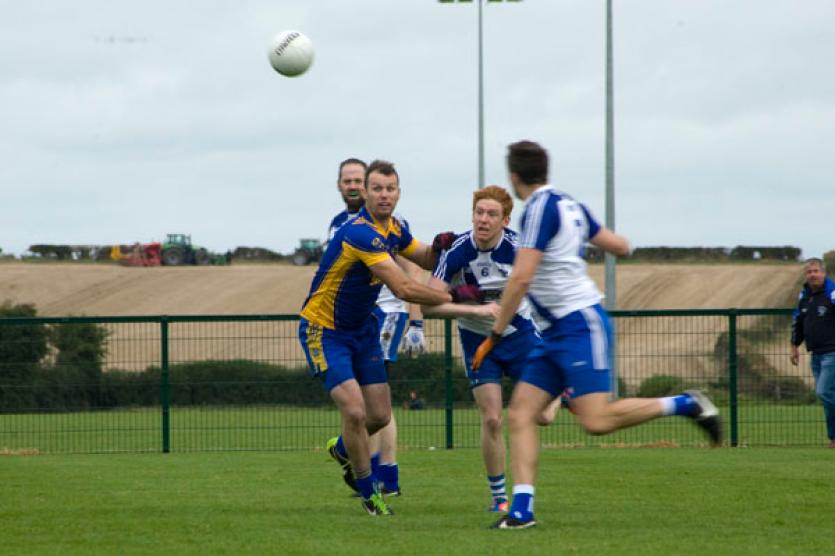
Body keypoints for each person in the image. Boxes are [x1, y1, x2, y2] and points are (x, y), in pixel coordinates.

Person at [475, 141, 722, 530]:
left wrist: (496, 333)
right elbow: (620, 246)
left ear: (514, 177)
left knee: (596, 420)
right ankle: (521, 512)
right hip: (556, 331)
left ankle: (686, 403)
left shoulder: (537, 209)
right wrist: (573, 246)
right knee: (522, 413)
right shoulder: (569, 205)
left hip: (578, 324)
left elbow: (521, 277)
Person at [298, 159, 479, 516]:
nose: (384, 195)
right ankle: (370, 494)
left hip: (362, 329)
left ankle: (343, 449)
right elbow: (403, 286)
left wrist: (445, 245)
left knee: (379, 417)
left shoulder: (395, 228)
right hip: (325, 330)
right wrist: (456, 296)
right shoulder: (360, 232)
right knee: (354, 411)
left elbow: (425, 257)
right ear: (365, 192)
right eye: (377, 188)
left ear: (398, 192)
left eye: (390, 188)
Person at [422, 185, 561, 514]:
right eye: (478, 213)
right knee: (493, 420)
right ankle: (499, 498)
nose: (483, 220)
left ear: (505, 220)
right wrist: (475, 310)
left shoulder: (517, 248)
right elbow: (429, 305)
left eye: (491, 214)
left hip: (519, 335)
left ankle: (559, 385)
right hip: (476, 340)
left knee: (542, 417)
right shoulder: (456, 250)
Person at [324, 158, 427, 497]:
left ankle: (385, 476)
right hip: (348, 321)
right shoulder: (338, 225)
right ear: (340, 186)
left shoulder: (394, 226)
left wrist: (416, 320)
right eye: (348, 181)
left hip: (387, 312)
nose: (353, 186)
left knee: (376, 402)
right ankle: (361, 462)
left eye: (358, 179)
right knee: (359, 404)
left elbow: (412, 274)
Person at [790, 257, 835, 448]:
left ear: (824, 273)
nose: (813, 275)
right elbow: (799, 322)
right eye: (809, 272)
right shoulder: (805, 297)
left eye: (816, 271)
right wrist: (794, 345)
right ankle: (833, 439)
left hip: (832, 353)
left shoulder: (832, 294)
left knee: (824, 392)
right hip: (815, 354)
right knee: (827, 399)